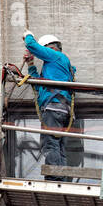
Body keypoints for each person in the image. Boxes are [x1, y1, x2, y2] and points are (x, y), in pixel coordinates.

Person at [23, 31, 76, 177]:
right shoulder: (59, 66)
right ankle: (61, 177)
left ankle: (55, 175)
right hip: (61, 109)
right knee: (58, 146)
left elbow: (31, 45)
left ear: (50, 48)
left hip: (54, 108)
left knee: (50, 144)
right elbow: (39, 85)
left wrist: (28, 35)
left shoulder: (55, 57)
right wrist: (31, 64)